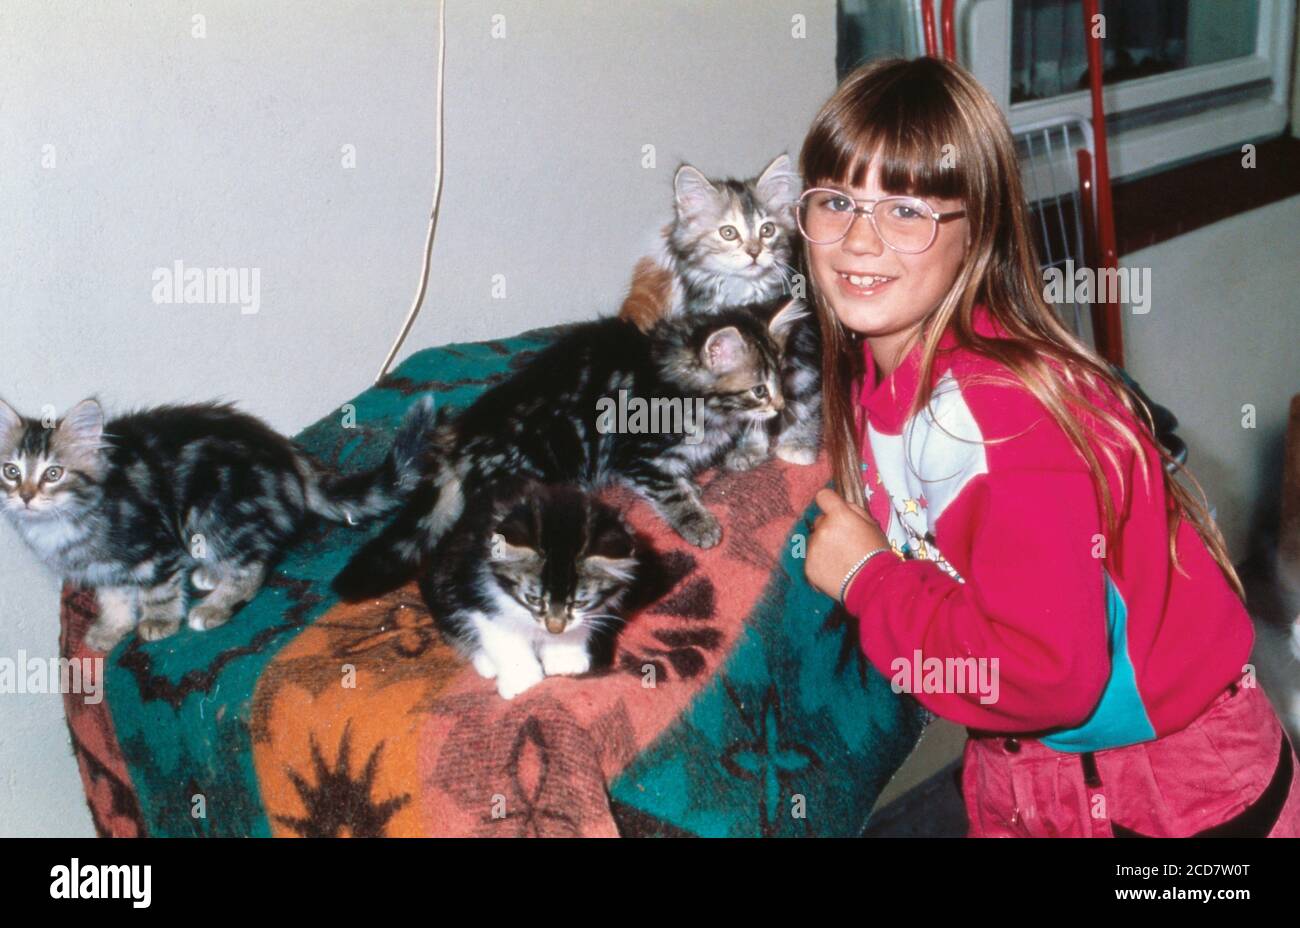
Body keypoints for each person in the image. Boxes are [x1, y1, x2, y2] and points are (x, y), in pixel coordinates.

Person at [800, 56, 1299, 837]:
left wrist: (867, 580)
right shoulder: (878, 371)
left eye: (906, 210)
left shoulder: (1001, 419)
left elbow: (1046, 676)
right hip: (1028, 765)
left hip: (1175, 798)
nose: (858, 239)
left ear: (978, 232)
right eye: (836, 201)